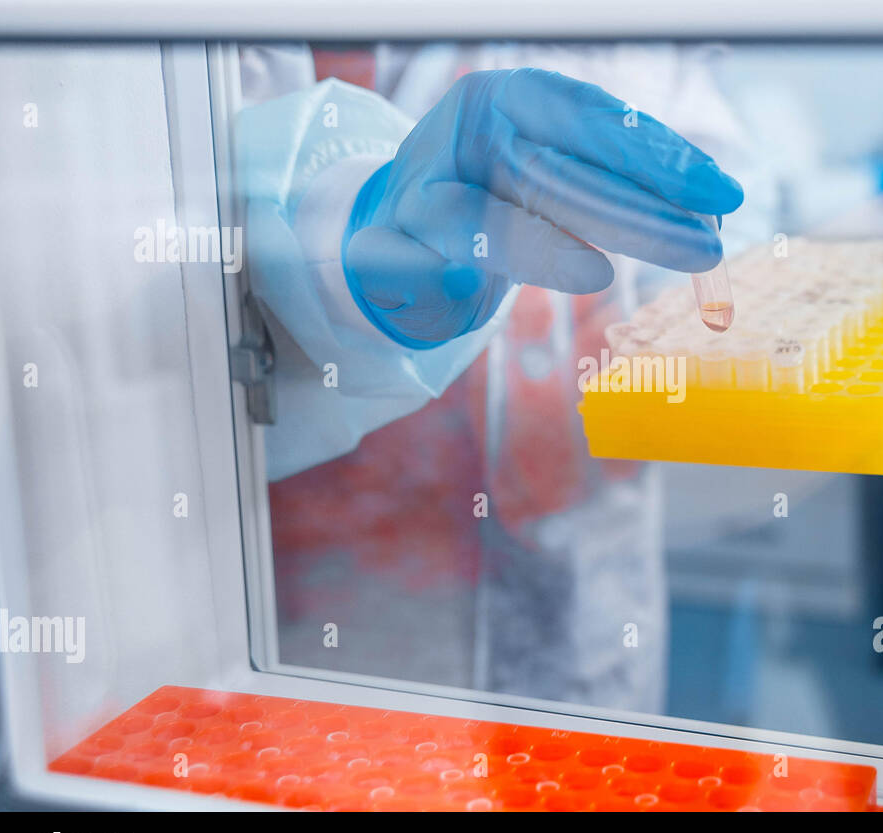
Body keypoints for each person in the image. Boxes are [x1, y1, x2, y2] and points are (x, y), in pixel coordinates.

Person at [236, 43, 770, 710]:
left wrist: (702, 301)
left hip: (586, 579)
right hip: (335, 618)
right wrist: (342, 234)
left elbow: (711, 158)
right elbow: (192, 212)